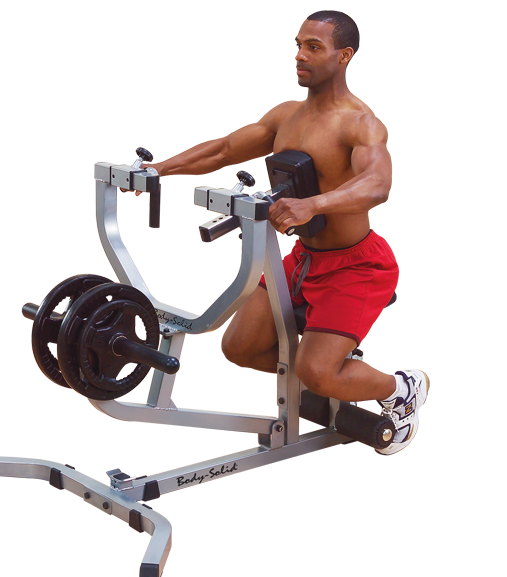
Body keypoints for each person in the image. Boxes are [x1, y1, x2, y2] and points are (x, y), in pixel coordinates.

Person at [145, 11, 426, 455]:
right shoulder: (287, 116)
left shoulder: (359, 122)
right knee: (239, 347)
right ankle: (330, 370)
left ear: (344, 56)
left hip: (354, 266)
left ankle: (400, 386)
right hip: (300, 259)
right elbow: (223, 149)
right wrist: (157, 170)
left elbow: (377, 184)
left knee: (317, 370)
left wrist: (314, 204)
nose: (299, 56)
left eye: (314, 47)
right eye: (298, 45)